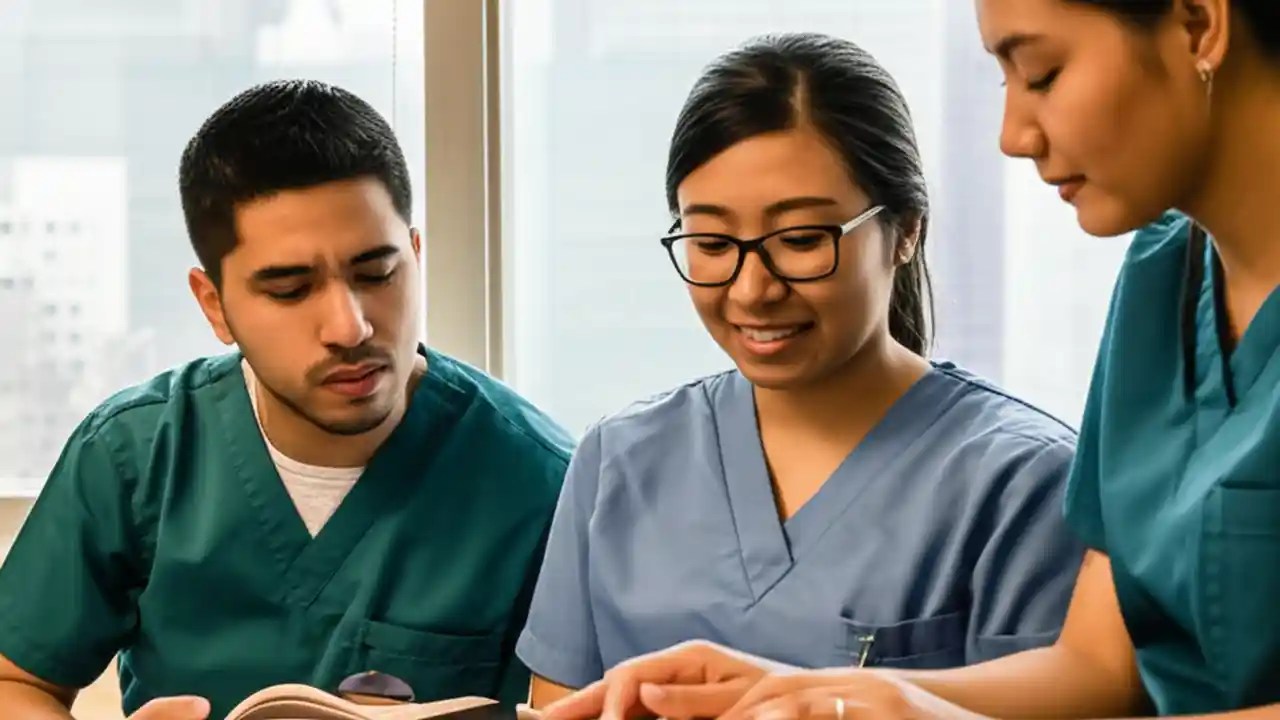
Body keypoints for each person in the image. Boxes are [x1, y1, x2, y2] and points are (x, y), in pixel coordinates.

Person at [536, 1, 1280, 718]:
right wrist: (835, 696)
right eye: (713, 243)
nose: (1012, 135)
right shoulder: (1160, 276)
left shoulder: (1012, 472)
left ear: (1197, 23)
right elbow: (1099, 668)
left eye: (1043, 73)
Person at [516, 32, 1085, 710]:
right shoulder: (617, 460)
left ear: (906, 230)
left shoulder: (1022, 483)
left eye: (801, 240)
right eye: (712, 243)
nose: (753, 289)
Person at [0, 80, 574, 720]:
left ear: (416, 256)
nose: (349, 326)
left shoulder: (542, 483)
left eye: (377, 274)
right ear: (214, 304)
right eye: (290, 289)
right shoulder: (133, 455)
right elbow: (16, 682)